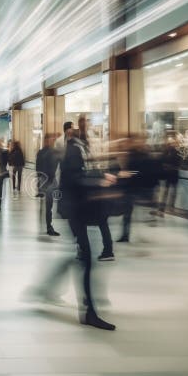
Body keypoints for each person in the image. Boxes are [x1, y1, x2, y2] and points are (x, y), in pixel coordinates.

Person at [57, 120, 115, 330]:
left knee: (82, 257)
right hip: (75, 210)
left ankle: (49, 290)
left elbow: (80, 173)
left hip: (79, 209)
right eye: (87, 127)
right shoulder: (74, 150)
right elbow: (74, 178)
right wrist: (99, 181)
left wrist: (100, 176)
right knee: (86, 258)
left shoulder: (79, 148)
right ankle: (89, 311)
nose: (90, 131)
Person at [36, 134, 60, 236]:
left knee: (47, 205)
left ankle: (47, 225)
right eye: (50, 140)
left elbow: (38, 167)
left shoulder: (42, 152)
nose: (51, 142)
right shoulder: (50, 152)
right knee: (48, 205)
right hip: (48, 180)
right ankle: (49, 226)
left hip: (46, 180)